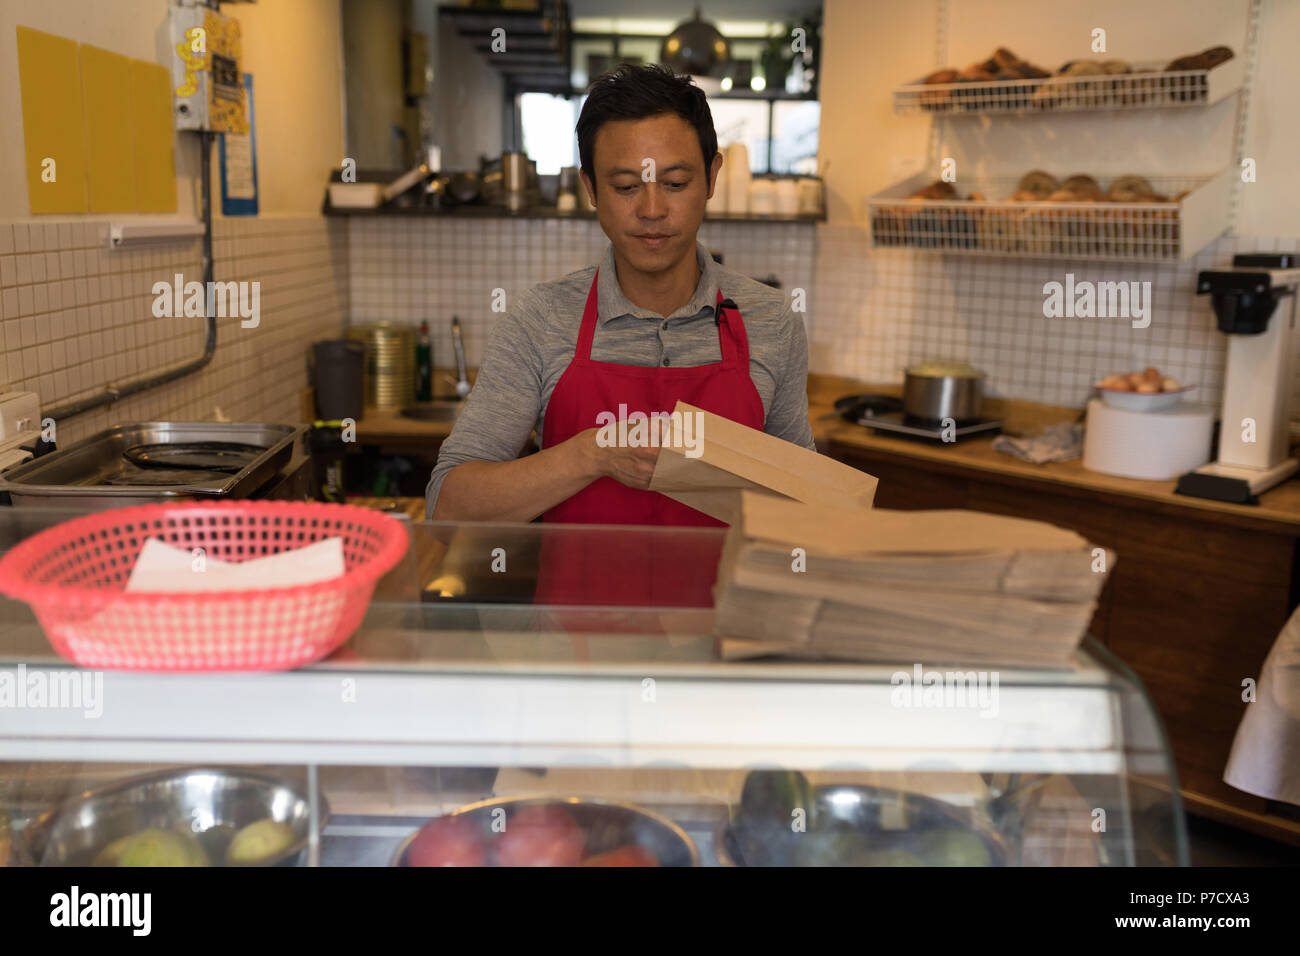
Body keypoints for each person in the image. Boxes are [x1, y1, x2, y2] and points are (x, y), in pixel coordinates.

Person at [426, 63, 815, 536]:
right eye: (626, 187)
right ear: (590, 188)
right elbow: (449, 508)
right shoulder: (541, 320)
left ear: (712, 177)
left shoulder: (771, 322)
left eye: (675, 184)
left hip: (726, 611)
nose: (652, 210)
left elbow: (805, 505)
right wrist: (590, 454)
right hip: (576, 611)